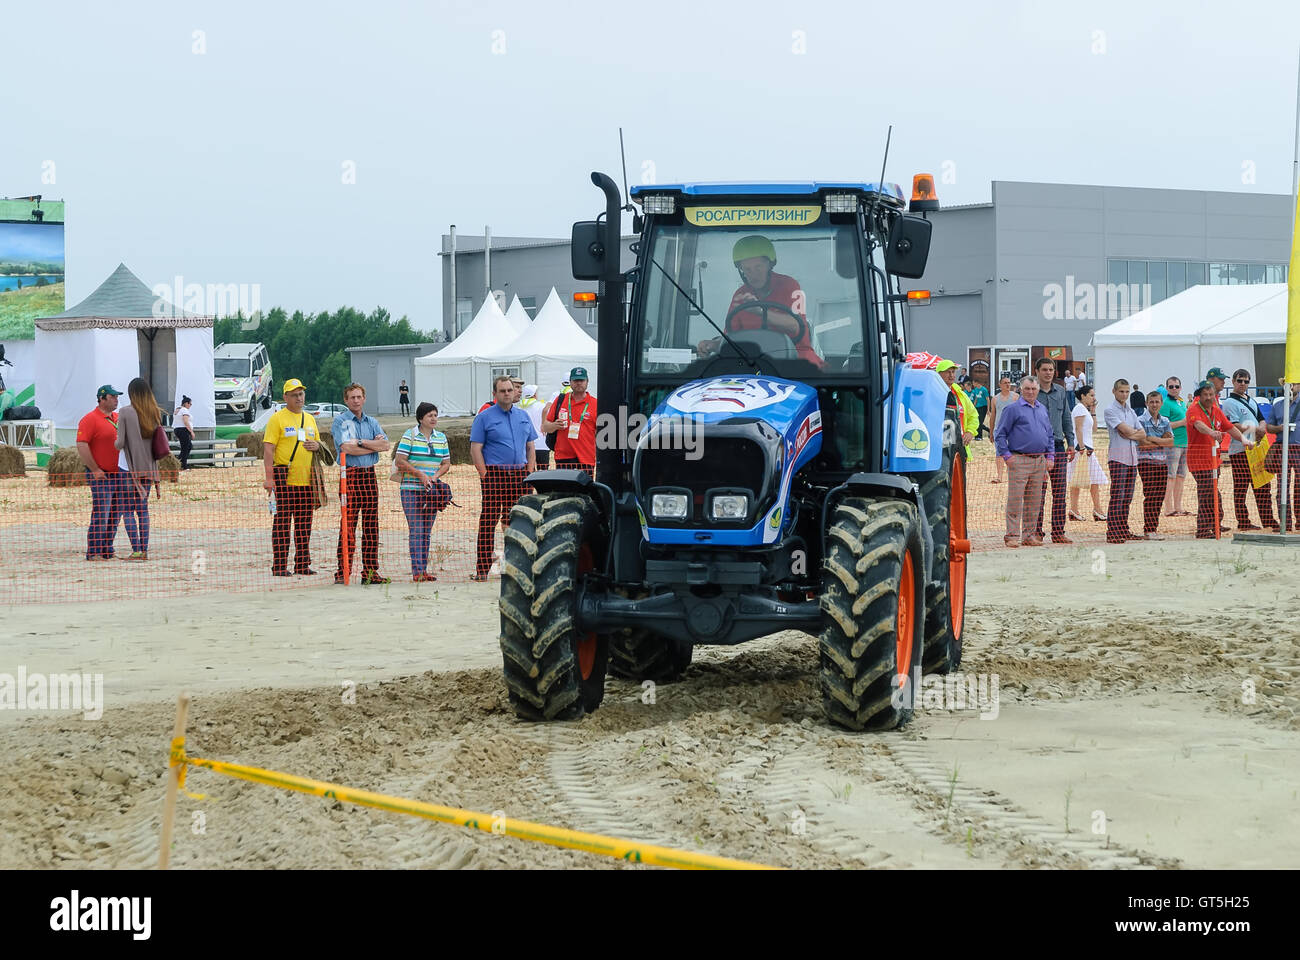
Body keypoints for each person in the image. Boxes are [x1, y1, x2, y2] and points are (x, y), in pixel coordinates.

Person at [696, 235, 823, 368]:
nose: (753, 274)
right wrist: (712, 344)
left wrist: (760, 312)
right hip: (753, 365)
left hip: (796, 363)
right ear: (741, 270)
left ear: (770, 264)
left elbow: (797, 327)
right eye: (747, 269)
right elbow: (731, 338)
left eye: (758, 267)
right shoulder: (740, 295)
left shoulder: (790, 286)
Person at [470, 374, 537, 580]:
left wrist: (531, 472)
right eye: (503, 391)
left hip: (520, 476)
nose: (507, 394)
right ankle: (482, 569)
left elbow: (530, 445)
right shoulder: (484, 417)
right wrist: (484, 475)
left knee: (519, 521)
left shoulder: (523, 416)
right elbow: (475, 448)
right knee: (488, 521)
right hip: (495, 475)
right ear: (495, 393)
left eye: (510, 390)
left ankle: (517, 566)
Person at [333, 383, 391, 585]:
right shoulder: (341, 421)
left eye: (359, 397)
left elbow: (385, 445)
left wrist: (359, 442)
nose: (356, 400)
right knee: (348, 525)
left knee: (371, 526)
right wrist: (370, 445)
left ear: (364, 398)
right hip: (349, 475)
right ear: (346, 400)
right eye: (352, 397)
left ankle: (370, 572)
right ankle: (343, 570)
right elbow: (346, 448)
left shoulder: (372, 421)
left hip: (369, 475)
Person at [263, 378, 321, 576]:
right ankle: (279, 566)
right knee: (282, 524)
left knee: (304, 524)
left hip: (306, 479)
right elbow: (268, 449)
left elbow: (318, 443)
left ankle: (302, 564)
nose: (299, 398)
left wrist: (317, 446)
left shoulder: (310, 419)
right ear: (285, 397)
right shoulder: (277, 419)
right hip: (283, 476)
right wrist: (269, 478)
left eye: (301, 394)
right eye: (294, 394)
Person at [1186, 380, 1253, 539]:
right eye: (1206, 395)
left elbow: (1229, 427)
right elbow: (1198, 424)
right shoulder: (1193, 409)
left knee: (1212, 493)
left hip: (1213, 460)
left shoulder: (1216, 409)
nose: (1209, 397)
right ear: (1199, 396)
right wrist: (1211, 432)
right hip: (1199, 461)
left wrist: (1243, 439)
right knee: (1207, 493)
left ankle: (1214, 523)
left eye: (1211, 394)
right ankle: (1203, 529)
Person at [394, 401, 451, 582]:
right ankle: (417, 571)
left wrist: (434, 477)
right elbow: (400, 460)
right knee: (417, 529)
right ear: (421, 418)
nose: (434, 418)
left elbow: (446, 463)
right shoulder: (409, 435)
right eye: (430, 415)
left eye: (435, 415)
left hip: (430, 491)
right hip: (410, 489)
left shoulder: (441, 437)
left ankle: (423, 569)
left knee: (426, 530)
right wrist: (419, 474)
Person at [994, 376, 1053, 548]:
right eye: (1027, 389)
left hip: (1039, 461)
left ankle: (1028, 535)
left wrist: (1050, 457)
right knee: (1015, 500)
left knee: (1034, 501)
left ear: (1038, 390)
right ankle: (1012, 536)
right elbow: (1000, 434)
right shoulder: (1012, 409)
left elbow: (1049, 434)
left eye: (1034, 389)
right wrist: (1007, 456)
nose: (1030, 392)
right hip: (1018, 459)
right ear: (1020, 389)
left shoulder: (1042, 409)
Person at [114, 377, 163, 561]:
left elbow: (119, 443)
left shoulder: (125, 412)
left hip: (128, 467)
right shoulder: (154, 412)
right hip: (148, 467)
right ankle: (144, 550)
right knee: (143, 509)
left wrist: (113, 440)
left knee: (127, 510)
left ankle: (136, 550)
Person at [1221, 369, 1275, 531]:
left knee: (1263, 486)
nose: (1243, 384)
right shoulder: (1229, 403)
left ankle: (1268, 520)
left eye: (1246, 381)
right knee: (1241, 487)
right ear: (1233, 382)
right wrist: (1254, 429)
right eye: (1240, 381)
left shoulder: (1251, 400)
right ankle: (1243, 521)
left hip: (1257, 448)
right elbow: (1233, 425)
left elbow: (1262, 419)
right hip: (1240, 450)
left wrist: (1261, 429)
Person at [1030, 356, 1077, 545]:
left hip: (1058, 447)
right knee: (1037, 493)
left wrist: (1071, 443)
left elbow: (1066, 418)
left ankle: (1058, 532)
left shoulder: (1060, 391)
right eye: (1044, 370)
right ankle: (1036, 532)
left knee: (1059, 492)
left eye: (1051, 370)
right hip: (1037, 449)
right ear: (1037, 371)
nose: (1048, 373)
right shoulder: (1031, 392)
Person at [76, 384, 124, 560]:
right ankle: (94, 551)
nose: (116, 400)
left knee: (114, 514)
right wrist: (95, 469)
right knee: (101, 514)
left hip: (119, 474)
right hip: (101, 474)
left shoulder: (119, 418)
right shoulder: (89, 419)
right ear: (102, 399)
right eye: (112, 397)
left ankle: (106, 549)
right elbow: (81, 444)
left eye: (117, 397)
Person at [1102, 379, 1147, 544]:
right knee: (1117, 495)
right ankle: (1112, 531)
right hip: (1118, 458)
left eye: (1127, 391)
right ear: (1114, 391)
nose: (1125, 394)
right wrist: (1132, 433)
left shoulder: (1131, 411)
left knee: (1127, 497)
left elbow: (1141, 433)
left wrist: (1131, 434)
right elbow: (1126, 430)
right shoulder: (1110, 410)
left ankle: (1123, 529)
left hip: (1132, 458)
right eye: (1121, 391)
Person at [542, 366, 597, 474]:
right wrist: (554, 425)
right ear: (570, 382)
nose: (579, 383)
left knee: (584, 491)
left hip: (586, 458)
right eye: (575, 380)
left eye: (582, 380)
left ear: (587, 382)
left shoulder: (595, 403)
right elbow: (545, 427)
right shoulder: (560, 400)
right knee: (564, 490)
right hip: (563, 457)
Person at [1135, 390, 1174, 540]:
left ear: (1161, 403)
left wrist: (1152, 438)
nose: (1154, 404)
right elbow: (1142, 443)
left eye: (1157, 402)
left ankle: (1153, 528)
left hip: (1162, 462)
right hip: (1145, 462)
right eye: (1151, 402)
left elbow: (1171, 442)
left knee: (1159, 496)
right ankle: (1149, 529)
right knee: (1151, 495)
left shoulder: (1165, 421)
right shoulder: (1140, 420)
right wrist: (1160, 439)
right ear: (1146, 403)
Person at [1067, 384, 1108, 521]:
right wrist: (1083, 447)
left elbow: (1095, 429)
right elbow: (1078, 429)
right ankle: (1092, 509)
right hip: (1083, 450)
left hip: (1086, 448)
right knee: (1082, 480)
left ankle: (1082, 509)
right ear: (1083, 396)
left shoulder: (1085, 410)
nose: (1093, 398)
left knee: (1086, 480)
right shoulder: (1079, 408)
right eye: (1091, 395)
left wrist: (1093, 410)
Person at [1264, 380, 1300, 531]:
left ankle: (1298, 521)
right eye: (1288, 384)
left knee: (1298, 487)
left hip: (1297, 449)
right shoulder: (1278, 406)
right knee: (1282, 487)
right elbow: (1269, 427)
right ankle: (1285, 522)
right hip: (1283, 449)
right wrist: (1279, 428)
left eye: (1294, 383)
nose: (1291, 387)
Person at [1159, 377, 1191, 518]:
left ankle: (1178, 507)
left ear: (1180, 387)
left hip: (1185, 443)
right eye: (1171, 386)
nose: (1174, 389)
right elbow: (1163, 425)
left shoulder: (1182, 402)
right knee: (1170, 476)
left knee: (1181, 476)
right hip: (1173, 444)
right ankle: (1168, 508)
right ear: (1167, 388)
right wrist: (1182, 422)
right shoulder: (1165, 404)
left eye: (1176, 386)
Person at [936, 359, 977, 456]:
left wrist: (970, 432)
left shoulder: (960, 395)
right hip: (939, 447)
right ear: (938, 374)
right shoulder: (932, 394)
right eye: (947, 372)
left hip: (960, 446)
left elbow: (973, 415)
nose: (951, 375)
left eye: (953, 372)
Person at [989, 375, 1019, 483]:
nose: (1008, 384)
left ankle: (1012, 474)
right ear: (1000, 385)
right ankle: (999, 476)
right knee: (999, 452)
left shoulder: (1016, 397)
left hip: (1013, 429)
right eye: (1005, 383)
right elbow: (993, 416)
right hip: (999, 429)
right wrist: (991, 431)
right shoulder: (995, 399)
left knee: (1013, 452)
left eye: (1009, 382)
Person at [519, 384, 550, 468]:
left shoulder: (519, 408)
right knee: (543, 472)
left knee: (529, 472)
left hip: (525, 445)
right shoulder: (542, 406)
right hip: (542, 443)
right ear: (534, 395)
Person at [173, 396, 194, 470]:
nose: (190, 406)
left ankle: (179, 463)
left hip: (178, 429)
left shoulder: (178, 409)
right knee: (185, 448)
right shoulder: (184, 410)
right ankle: (182, 465)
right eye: (190, 404)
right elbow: (185, 421)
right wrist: (191, 432)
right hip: (183, 430)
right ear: (186, 403)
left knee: (188, 446)